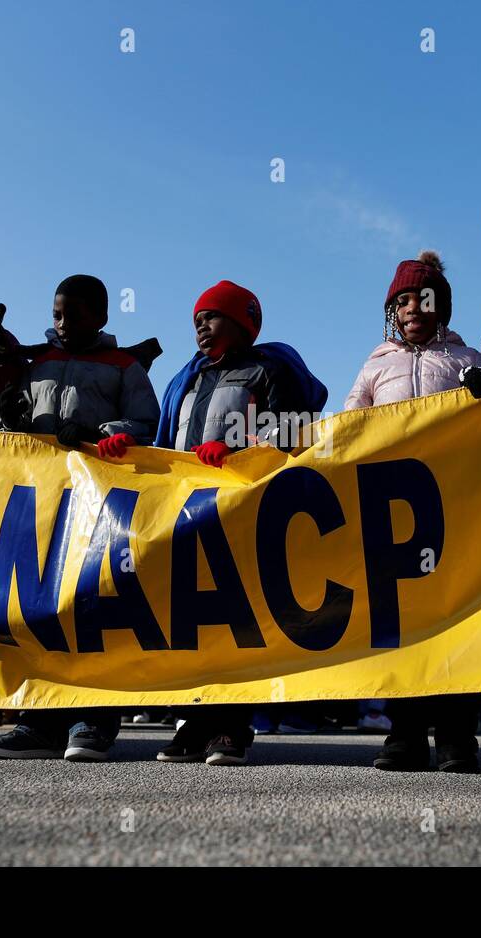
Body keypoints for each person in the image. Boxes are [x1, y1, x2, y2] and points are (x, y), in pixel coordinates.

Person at [0, 274, 161, 762]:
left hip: (98, 503)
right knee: (39, 607)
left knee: (92, 603)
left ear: (101, 317)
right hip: (41, 501)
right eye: (57, 314)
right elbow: (11, 422)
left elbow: (147, 423)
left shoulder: (123, 366)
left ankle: (93, 720)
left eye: (74, 315)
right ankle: (39, 720)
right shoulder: (36, 362)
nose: (62, 323)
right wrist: (8, 415)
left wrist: (105, 432)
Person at [152, 279, 328, 766]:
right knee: (191, 620)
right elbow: (167, 439)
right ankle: (193, 722)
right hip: (187, 515)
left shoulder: (270, 367)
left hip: (245, 513)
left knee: (237, 621)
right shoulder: (185, 379)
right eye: (195, 322)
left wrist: (236, 449)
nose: (200, 329)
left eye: (209, 317)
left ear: (243, 320)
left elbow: (298, 426)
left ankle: (230, 727)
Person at [344, 250, 481, 772]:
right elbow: (349, 426)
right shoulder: (374, 365)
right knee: (403, 621)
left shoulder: (468, 360)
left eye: (425, 297)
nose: (415, 307)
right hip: (394, 508)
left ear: (442, 308)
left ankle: (457, 737)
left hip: (454, 503)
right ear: (393, 309)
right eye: (404, 299)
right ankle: (404, 733)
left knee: (455, 618)